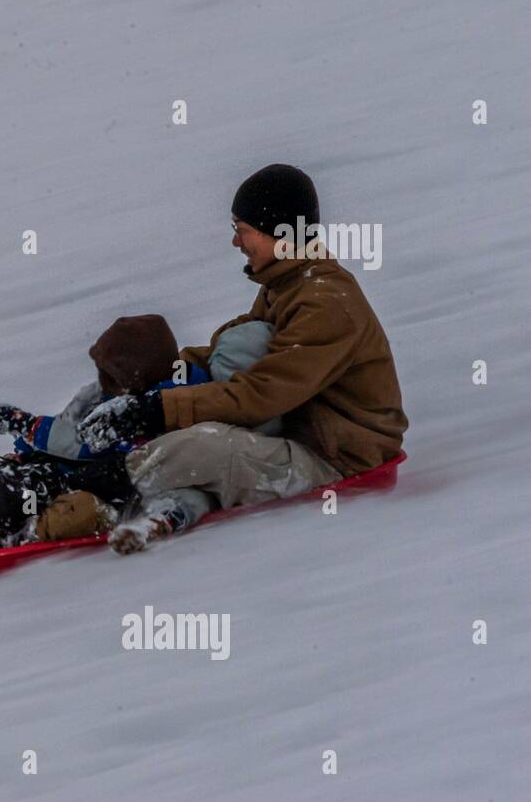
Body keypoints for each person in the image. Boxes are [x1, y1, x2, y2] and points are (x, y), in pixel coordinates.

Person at [63, 163, 408, 555]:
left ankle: (63, 492)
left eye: (242, 231)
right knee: (191, 412)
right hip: (292, 433)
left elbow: (261, 394)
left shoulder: (325, 303)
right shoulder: (290, 284)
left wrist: (155, 410)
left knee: (198, 446)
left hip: (336, 460)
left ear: (279, 233)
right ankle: (65, 469)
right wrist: (156, 380)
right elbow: (225, 351)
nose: (236, 243)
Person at [0, 313, 280, 553]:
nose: (104, 384)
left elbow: (85, 445)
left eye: (111, 376)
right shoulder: (124, 396)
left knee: (74, 505)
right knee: (45, 471)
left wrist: (26, 424)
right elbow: (72, 432)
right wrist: (26, 449)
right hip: (84, 475)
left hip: (118, 498)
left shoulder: (168, 408)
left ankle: (1, 525)